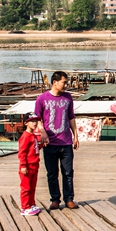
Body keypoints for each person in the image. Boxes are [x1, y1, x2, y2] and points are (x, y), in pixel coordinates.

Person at [34, 70, 79, 210]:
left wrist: (75, 135)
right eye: (64, 82)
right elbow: (37, 118)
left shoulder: (67, 98)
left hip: (65, 142)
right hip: (50, 142)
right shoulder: (42, 99)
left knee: (68, 172)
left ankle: (69, 198)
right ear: (55, 82)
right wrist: (42, 131)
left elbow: (71, 117)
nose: (66, 85)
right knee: (52, 173)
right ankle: (55, 199)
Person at [17, 114, 42, 216]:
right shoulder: (25, 136)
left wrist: (41, 145)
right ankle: (25, 207)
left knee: (32, 187)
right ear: (26, 123)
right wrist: (23, 165)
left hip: (34, 165)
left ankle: (31, 204)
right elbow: (22, 152)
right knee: (26, 187)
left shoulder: (33, 135)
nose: (34, 123)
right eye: (32, 121)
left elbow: (35, 148)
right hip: (27, 166)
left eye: (36, 121)